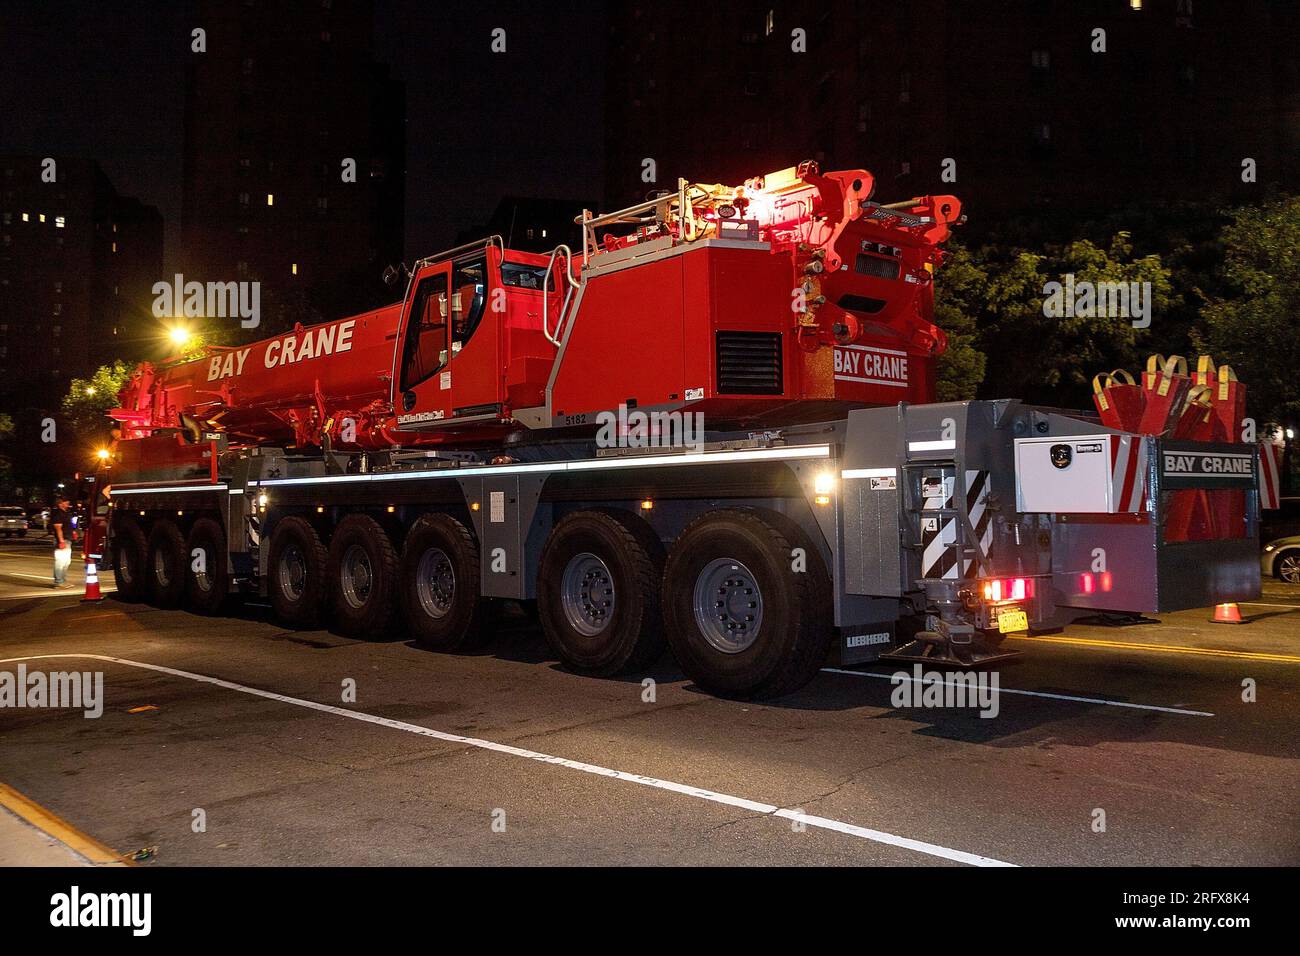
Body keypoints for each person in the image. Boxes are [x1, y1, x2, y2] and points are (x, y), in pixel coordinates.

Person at [50, 497, 74, 589]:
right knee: (60, 561)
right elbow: (58, 528)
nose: (68, 502)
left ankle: (63, 580)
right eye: (65, 502)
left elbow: (68, 525)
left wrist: (73, 532)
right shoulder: (58, 514)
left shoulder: (66, 513)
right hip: (63, 540)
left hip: (68, 539)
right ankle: (58, 582)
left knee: (66, 561)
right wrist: (61, 541)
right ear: (60, 504)